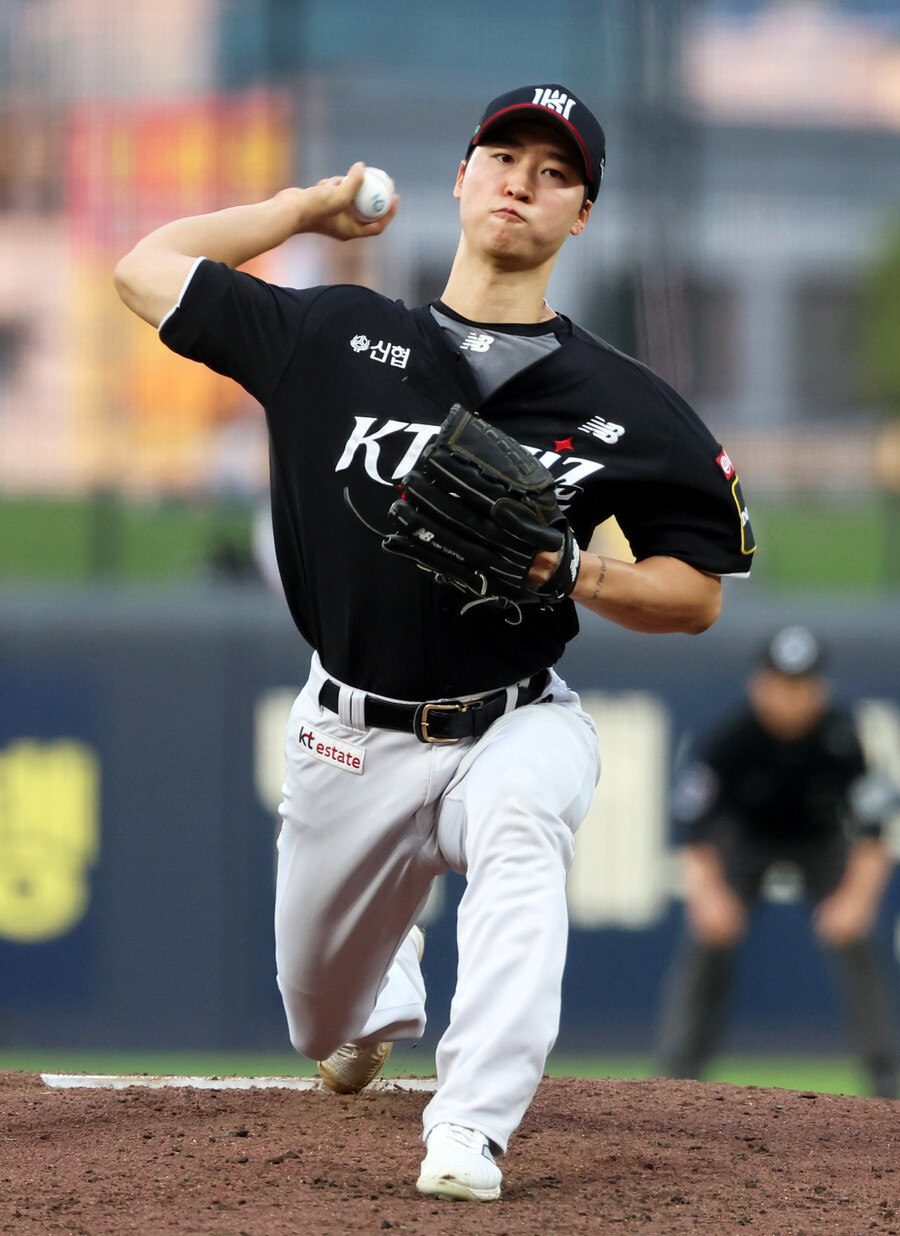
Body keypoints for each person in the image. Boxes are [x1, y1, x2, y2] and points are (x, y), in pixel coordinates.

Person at [114, 83, 755, 1201]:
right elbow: (142, 267)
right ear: (461, 180)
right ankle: (376, 997)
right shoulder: (332, 336)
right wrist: (300, 210)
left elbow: (696, 593)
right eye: (503, 156)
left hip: (515, 717)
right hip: (348, 738)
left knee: (521, 823)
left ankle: (472, 1128)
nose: (523, 180)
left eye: (555, 172)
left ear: (581, 214)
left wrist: (583, 571)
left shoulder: (628, 404)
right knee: (322, 1021)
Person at [656, 625, 900, 1099]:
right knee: (709, 939)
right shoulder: (733, 737)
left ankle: (888, 1083)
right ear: (758, 684)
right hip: (745, 845)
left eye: (802, 684)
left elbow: (874, 831)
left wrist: (854, 900)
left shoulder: (841, 737)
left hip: (821, 844)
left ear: (820, 687)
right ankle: (677, 1082)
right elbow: (694, 827)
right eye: (781, 683)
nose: (791, 697)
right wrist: (710, 895)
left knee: (858, 940)